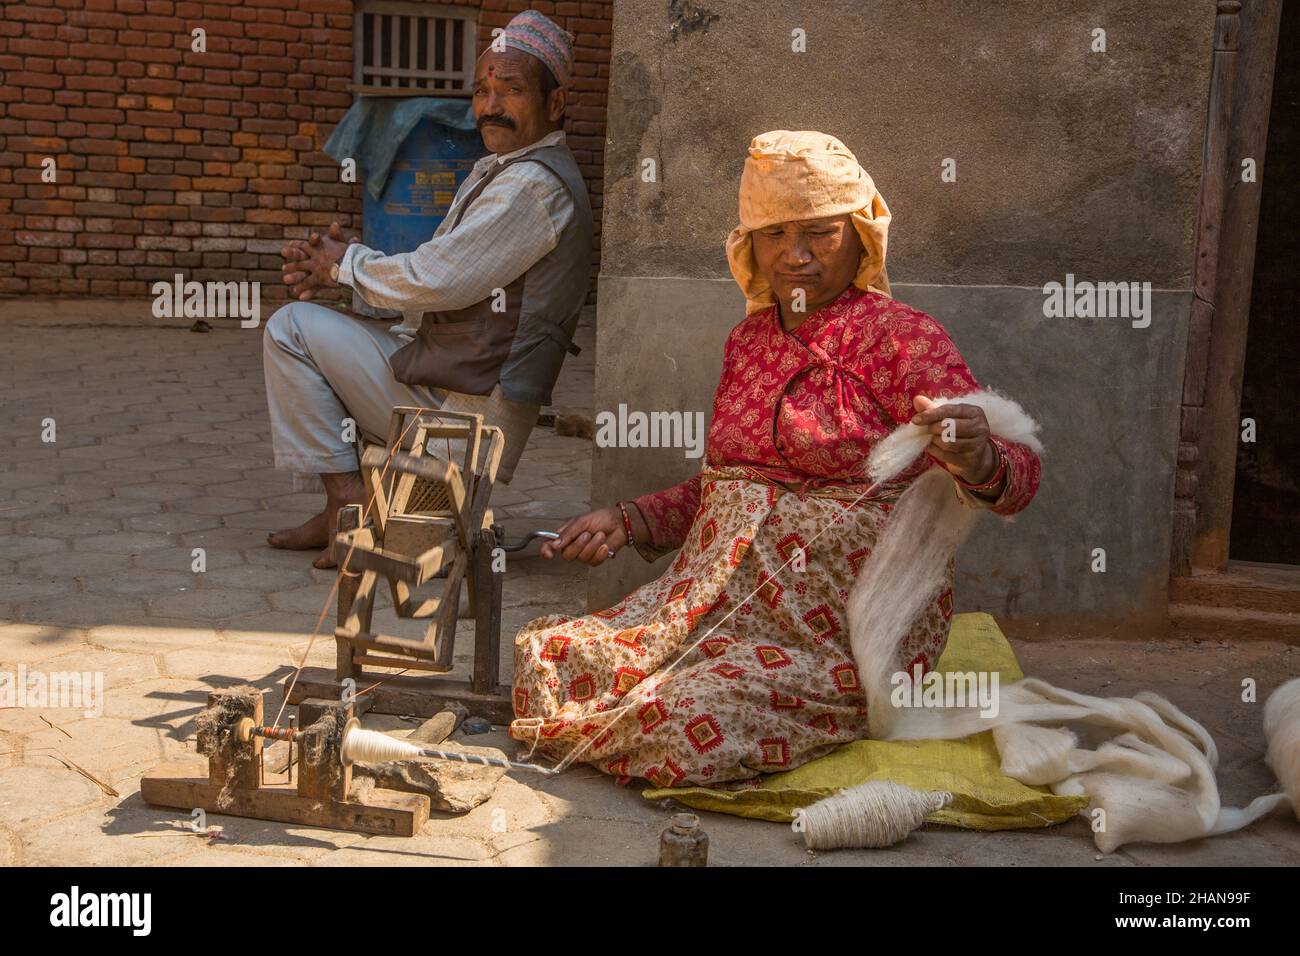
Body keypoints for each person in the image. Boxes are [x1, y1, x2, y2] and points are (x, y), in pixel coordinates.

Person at [508, 130, 1042, 788]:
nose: (796, 256)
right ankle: (672, 683)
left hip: (837, 635)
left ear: (860, 234)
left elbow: (1019, 477)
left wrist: (980, 455)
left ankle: (741, 701)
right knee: (550, 657)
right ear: (750, 246)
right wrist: (630, 519)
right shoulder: (749, 340)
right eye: (774, 234)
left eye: (820, 233)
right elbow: (726, 486)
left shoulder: (903, 338)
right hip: (708, 605)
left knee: (681, 721)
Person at [262, 10, 592, 568]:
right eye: (482, 91)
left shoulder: (533, 187)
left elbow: (435, 279)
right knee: (318, 329)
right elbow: (434, 286)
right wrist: (339, 283)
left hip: (467, 414)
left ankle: (350, 501)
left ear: (554, 104)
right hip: (448, 379)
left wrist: (345, 265)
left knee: (289, 331)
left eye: (511, 91)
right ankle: (344, 508)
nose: (491, 106)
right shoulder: (504, 168)